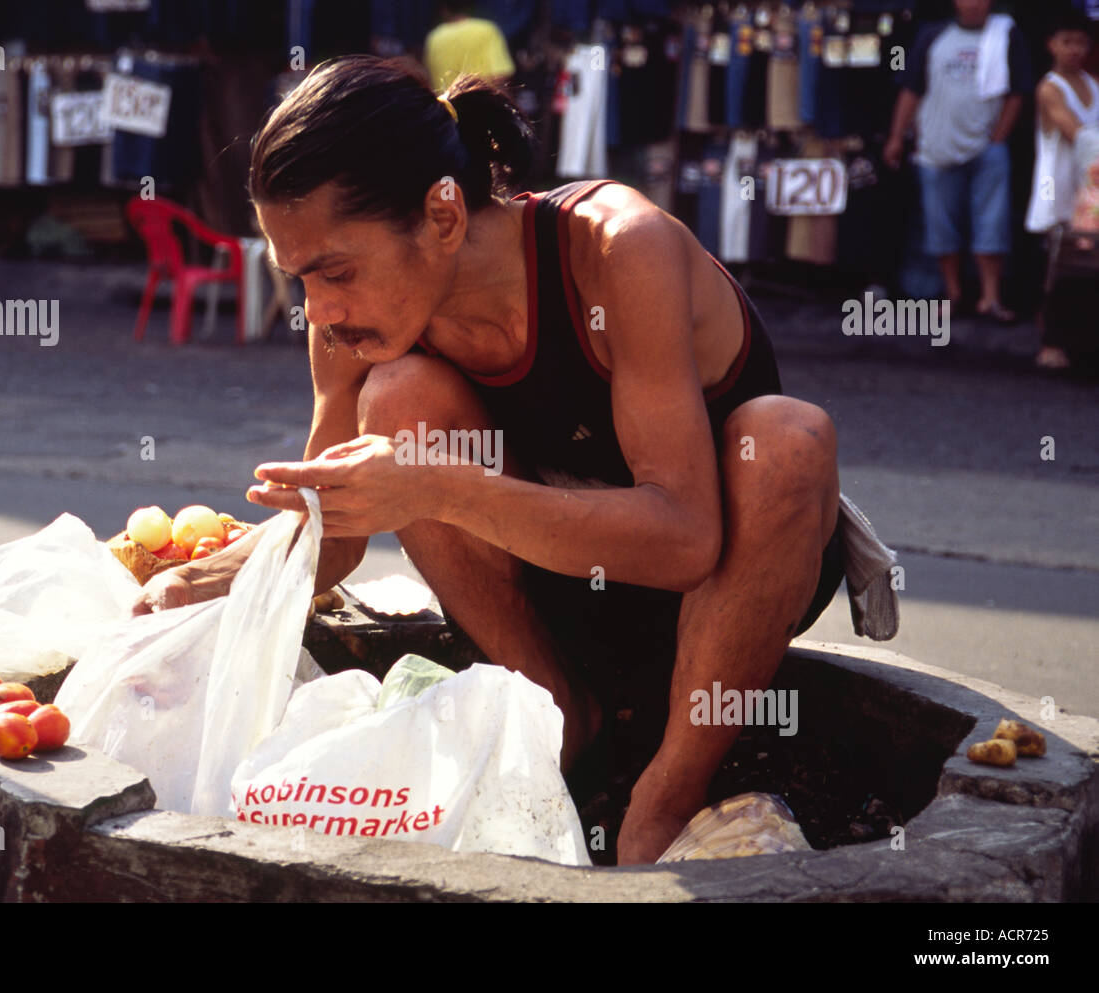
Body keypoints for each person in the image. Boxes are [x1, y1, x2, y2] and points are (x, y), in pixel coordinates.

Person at [133, 57, 844, 866]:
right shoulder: (346, 326)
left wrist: (440, 487)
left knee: (789, 441)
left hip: (718, 585)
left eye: (336, 272)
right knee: (398, 398)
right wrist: (205, 580)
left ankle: (662, 799)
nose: (319, 310)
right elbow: (331, 531)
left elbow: (686, 537)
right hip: (557, 589)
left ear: (442, 215)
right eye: (298, 279)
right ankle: (563, 721)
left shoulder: (618, 251)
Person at [883, 0, 1033, 323]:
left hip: (986, 147)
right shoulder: (932, 36)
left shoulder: (1005, 34)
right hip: (937, 146)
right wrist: (897, 136)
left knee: (991, 222)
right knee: (941, 223)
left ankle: (990, 297)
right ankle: (952, 295)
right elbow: (911, 88)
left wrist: (999, 136)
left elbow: (1019, 91)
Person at [1025, 11, 1099, 371]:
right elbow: (1078, 134)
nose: (1073, 49)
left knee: (1085, 263)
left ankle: (1080, 339)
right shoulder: (1049, 87)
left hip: (1091, 189)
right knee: (1055, 262)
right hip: (1056, 183)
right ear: (1051, 44)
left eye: (1080, 42)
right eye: (1066, 41)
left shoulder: (1093, 82)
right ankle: (1049, 341)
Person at [423, 0, 514, 93]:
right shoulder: (487, 30)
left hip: (445, 106)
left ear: (443, 9)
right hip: (484, 104)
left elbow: (430, 79)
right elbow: (501, 75)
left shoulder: (434, 37)